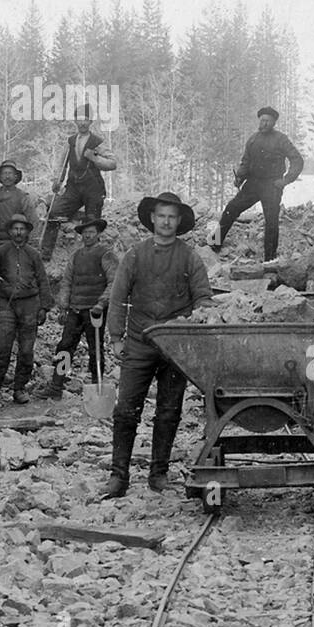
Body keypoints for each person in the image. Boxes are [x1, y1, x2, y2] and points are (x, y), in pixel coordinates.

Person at [104, 192, 212, 498]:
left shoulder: (189, 256)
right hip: (139, 343)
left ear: (179, 222)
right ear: (152, 218)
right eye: (161, 216)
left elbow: (203, 298)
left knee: (168, 411)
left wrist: (191, 332)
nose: (166, 222)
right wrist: (115, 338)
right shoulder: (135, 255)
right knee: (126, 409)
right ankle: (118, 476)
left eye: (172, 217)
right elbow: (118, 297)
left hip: (175, 347)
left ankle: (159, 473)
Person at [34, 215, 118, 401]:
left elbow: (114, 281)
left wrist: (101, 304)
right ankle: (56, 386)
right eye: (85, 233)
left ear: (98, 234)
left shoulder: (106, 254)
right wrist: (63, 306)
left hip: (95, 310)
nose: (88, 236)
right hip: (75, 309)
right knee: (65, 347)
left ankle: (97, 388)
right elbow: (67, 282)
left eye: (91, 232)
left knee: (95, 349)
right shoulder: (76, 256)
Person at [213, 106, 304, 263]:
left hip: (272, 185)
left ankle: (269, 259)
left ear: (274, 122)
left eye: (268, 121)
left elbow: (297, 160)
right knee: (231, 209)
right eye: (262, 120)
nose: (265, 124)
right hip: (253, 184)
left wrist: (285, 180)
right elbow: (246, 162)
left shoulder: (281, 139)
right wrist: (240, 177)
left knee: (271, 222)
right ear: (259, 121)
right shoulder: (253, 139)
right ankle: (214, 243)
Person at [0, 214, 52, 406]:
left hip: (29, 305)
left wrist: (44, 307)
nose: (18, 232)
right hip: (6, 305)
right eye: (15, 229)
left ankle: (20, 388)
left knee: (26, 351)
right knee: (1, 349)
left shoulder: (33, 254)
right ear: (9, 231)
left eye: (22, 229)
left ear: (27, 232)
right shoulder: (1, 252)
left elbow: (42, 280)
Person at [40, 105, 116, 260]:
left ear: (91, 122)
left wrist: (95, 158)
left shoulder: (97, 142)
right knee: (54, 213)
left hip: (93, 189)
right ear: (75, 121)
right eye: (79, 119)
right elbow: (62, 164)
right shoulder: (71, 142)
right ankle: (45, 253)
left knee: (92, 222)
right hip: (73, 188)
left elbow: (112, 163)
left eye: (86, 119)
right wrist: (58, 181)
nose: (82, 123)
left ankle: (92, 256)